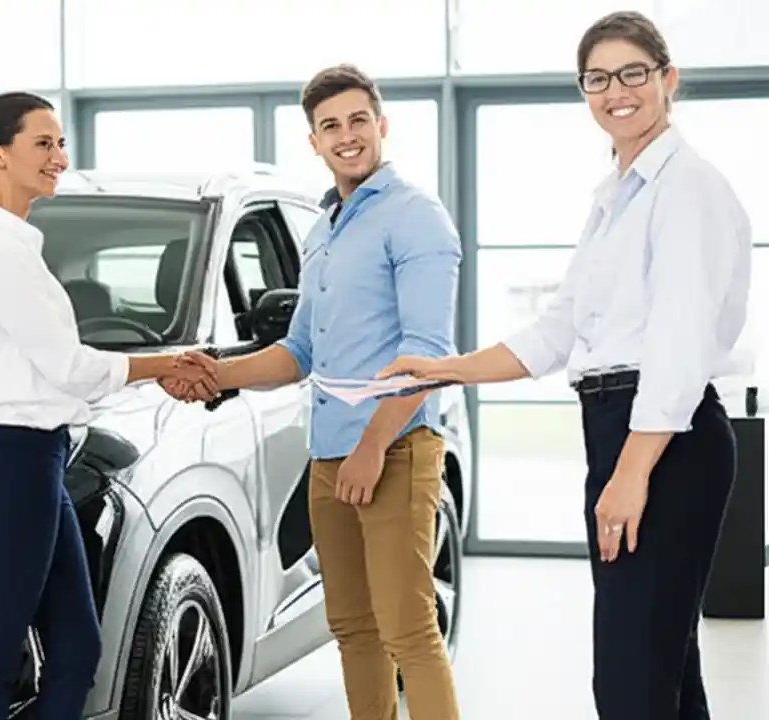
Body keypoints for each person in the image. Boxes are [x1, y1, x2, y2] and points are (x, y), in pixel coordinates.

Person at [378, 11, 751, 720]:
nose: (616, 91)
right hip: (624, 430)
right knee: (663, 668)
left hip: (662, 441)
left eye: (633, 73)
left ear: (668, 80)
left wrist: (631, 474)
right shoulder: (617, 197)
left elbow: (677, 345)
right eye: (598, 78)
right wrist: (446, 369)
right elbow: (560, 331)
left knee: (632, 679)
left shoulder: (686, 188)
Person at [168, 64, 463, 720]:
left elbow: (431, 357)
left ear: (381, 126)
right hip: (327, 456)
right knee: (354, 629)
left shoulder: (416, 218)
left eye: (359, 120)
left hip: (395, 448)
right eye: (331, 125)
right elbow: (298, 353)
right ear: (315, 141)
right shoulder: (323, 230)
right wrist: (217, 371)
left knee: (408, 631)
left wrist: (371, 449)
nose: (347, 135)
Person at [0, 91, 217, 719]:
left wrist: (146, 370)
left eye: (61, 142)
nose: (59, 156)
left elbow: (57, 375)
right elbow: (68, 366)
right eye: (43, 143)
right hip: (11, 461)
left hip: (34, 460)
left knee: (78, 646)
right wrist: (164, 364)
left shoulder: (9, 244)